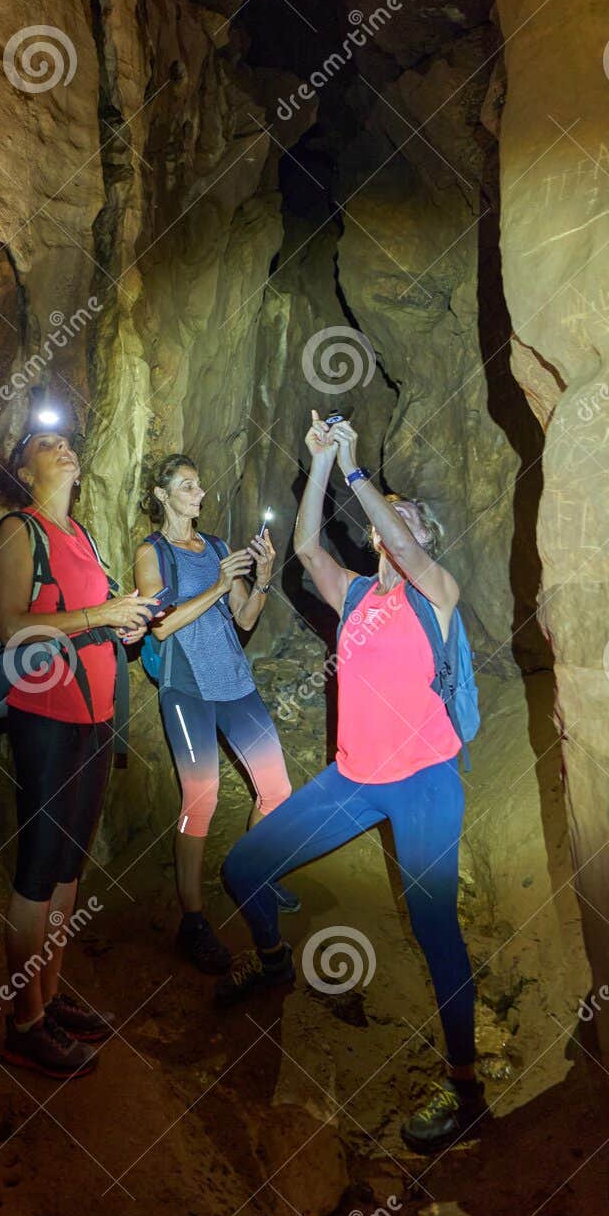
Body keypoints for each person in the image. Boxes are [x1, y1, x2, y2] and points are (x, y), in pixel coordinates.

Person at [218, 412, 486, 1151]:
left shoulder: (438, 593)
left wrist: (359, 469)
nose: (393, 531)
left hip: (427, 782)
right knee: (243, 867)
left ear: (422, 539)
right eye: (384, 525)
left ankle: (466, 1089)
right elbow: (306, 546)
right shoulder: (358, 598)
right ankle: (273, 961)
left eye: (407, 524)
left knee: (436, 932)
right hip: (354, 781)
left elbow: (400, 541)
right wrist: (321, 465)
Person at [0, 425, 158, 1078]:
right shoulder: (18, 530)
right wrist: (101, 616)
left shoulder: (82, 537)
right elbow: (12, 626)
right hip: (46, 719)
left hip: (94, 718)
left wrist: (127, 616)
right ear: (23, 470)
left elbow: (98, 612)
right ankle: (22, 1024)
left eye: (65, 441)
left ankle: (49, 996)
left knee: (68, 873)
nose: (61, 446)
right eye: (42, 441)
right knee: (36, 875)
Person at [134, 454, 297, 975]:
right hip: (187, 689)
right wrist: (218, 587)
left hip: (235, 683)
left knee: (276, 788)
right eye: (187, 486)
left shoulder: (220, 549)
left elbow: (245, 617)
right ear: (162, 495)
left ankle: (254, 872)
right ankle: (193, 921)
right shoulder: (152, 553)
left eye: (200, 485)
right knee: (200, 799)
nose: (199, 493)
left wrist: (263, 579)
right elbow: (160, 626)